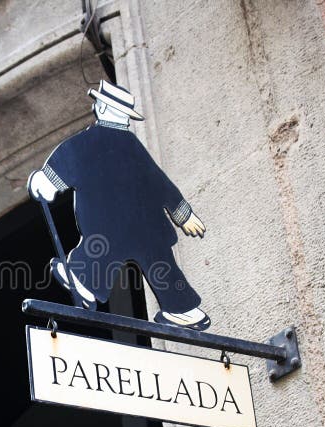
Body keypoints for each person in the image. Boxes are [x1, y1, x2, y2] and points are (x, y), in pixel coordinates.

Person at [28, 80, 210, 330]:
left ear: (102, 109)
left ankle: (82, 280)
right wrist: (183, 214)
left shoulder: (86, 143)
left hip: (108, 226)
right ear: (124, 117)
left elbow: (59, 168)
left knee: (100, 253)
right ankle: (184, 310)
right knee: (161, 266)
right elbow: (161, 183)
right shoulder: (134, 147)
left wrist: (44, 182)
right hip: (149, 229)